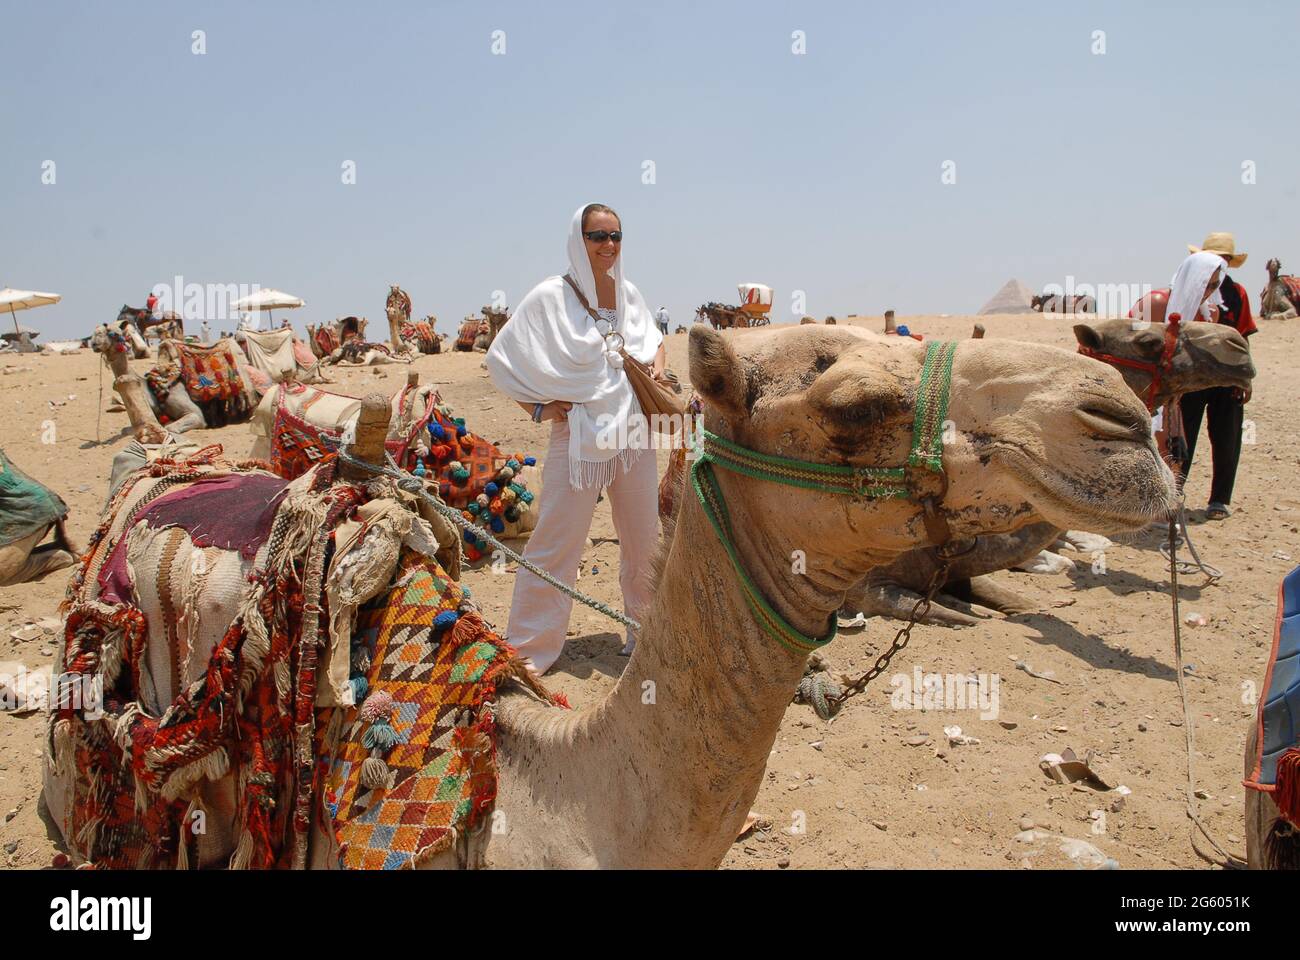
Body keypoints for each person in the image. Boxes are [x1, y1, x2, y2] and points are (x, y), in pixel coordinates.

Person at [485, 203, 665, 674]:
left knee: (645, 542)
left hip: (633, 434)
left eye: (615, 235)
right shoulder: (552, 296)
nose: (608, 245)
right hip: (577, 437)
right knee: (555, 545)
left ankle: (646, 641)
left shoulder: (629, 295)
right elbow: (503, 357)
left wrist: (658, 367)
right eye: (597, 236)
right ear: (577, 239)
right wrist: (540, 408)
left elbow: (654, 341)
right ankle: (528, 652)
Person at [1179, 234, 1256, 520]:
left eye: (1223, 261)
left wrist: (1244, 377)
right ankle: (1173, 494)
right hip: (1191, 377)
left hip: (1226, 378)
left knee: (1227, 436)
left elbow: (1243, 337)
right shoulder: (1188, 291)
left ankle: (1220, 499)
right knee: (1182, 435)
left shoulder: (1239, 294)